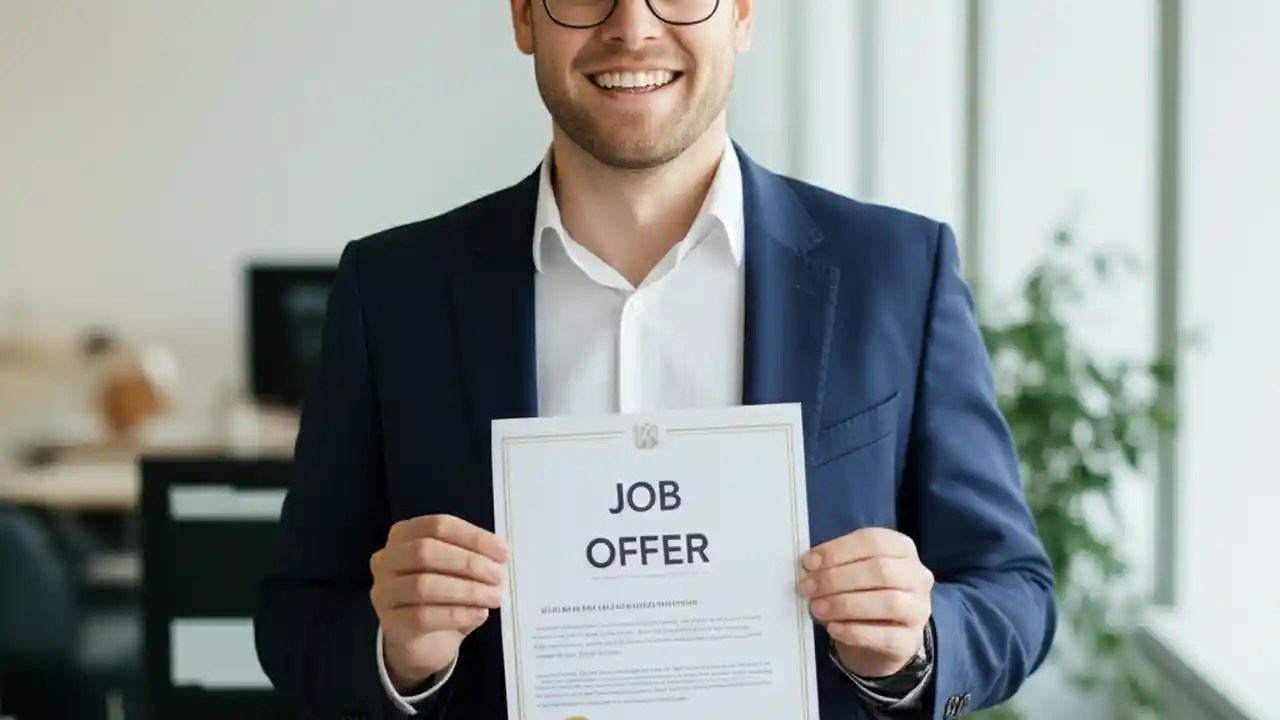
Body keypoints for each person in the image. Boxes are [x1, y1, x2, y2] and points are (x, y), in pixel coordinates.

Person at [253, 0, 1057, 718]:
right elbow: (295, 619)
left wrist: (915, 650)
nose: (631, 25)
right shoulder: (393, 290)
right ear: (524, 17)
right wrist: (397, 658)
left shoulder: (896, 272)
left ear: (742, 14)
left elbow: (1014, 592)